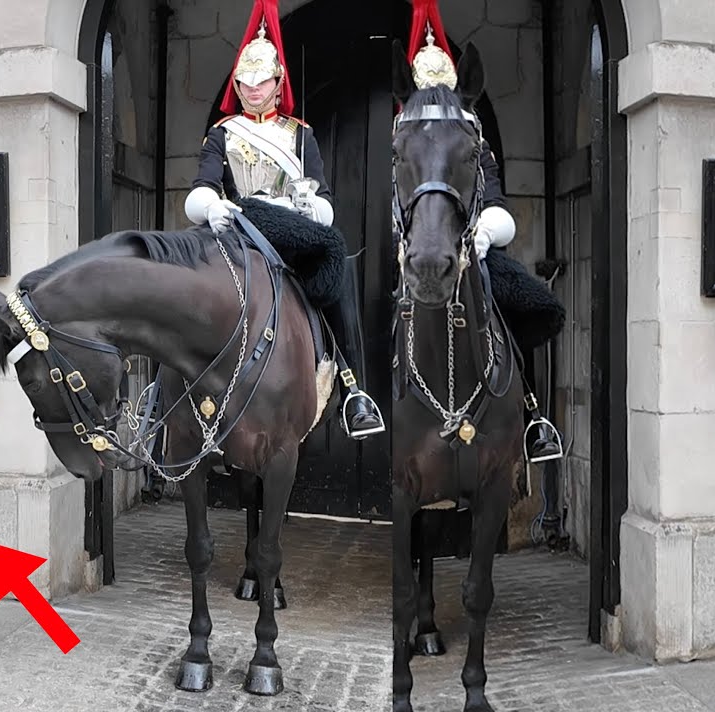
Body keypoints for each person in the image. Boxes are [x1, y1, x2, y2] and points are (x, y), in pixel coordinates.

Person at [184, 0, 383, 439]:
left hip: (290, 230)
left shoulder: (300, 134)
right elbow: (202, 184)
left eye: (262, 82)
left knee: (337, 258)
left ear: (278, 84)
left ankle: (353, 388)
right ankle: (166, 400)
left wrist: (313, 208)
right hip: (236, 226)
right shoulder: (222, 133)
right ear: (236, 85)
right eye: (245, 82)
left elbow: (323, 193)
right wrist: (211, 204)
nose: (253, 89)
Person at [401, 0, 562, 463]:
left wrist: (484, 233)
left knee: (523, 308)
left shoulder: (473, 140)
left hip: (470, 249)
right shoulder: (405, 138)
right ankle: (357, 394)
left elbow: (497, 204)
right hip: (409, 248)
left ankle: (532, 414)